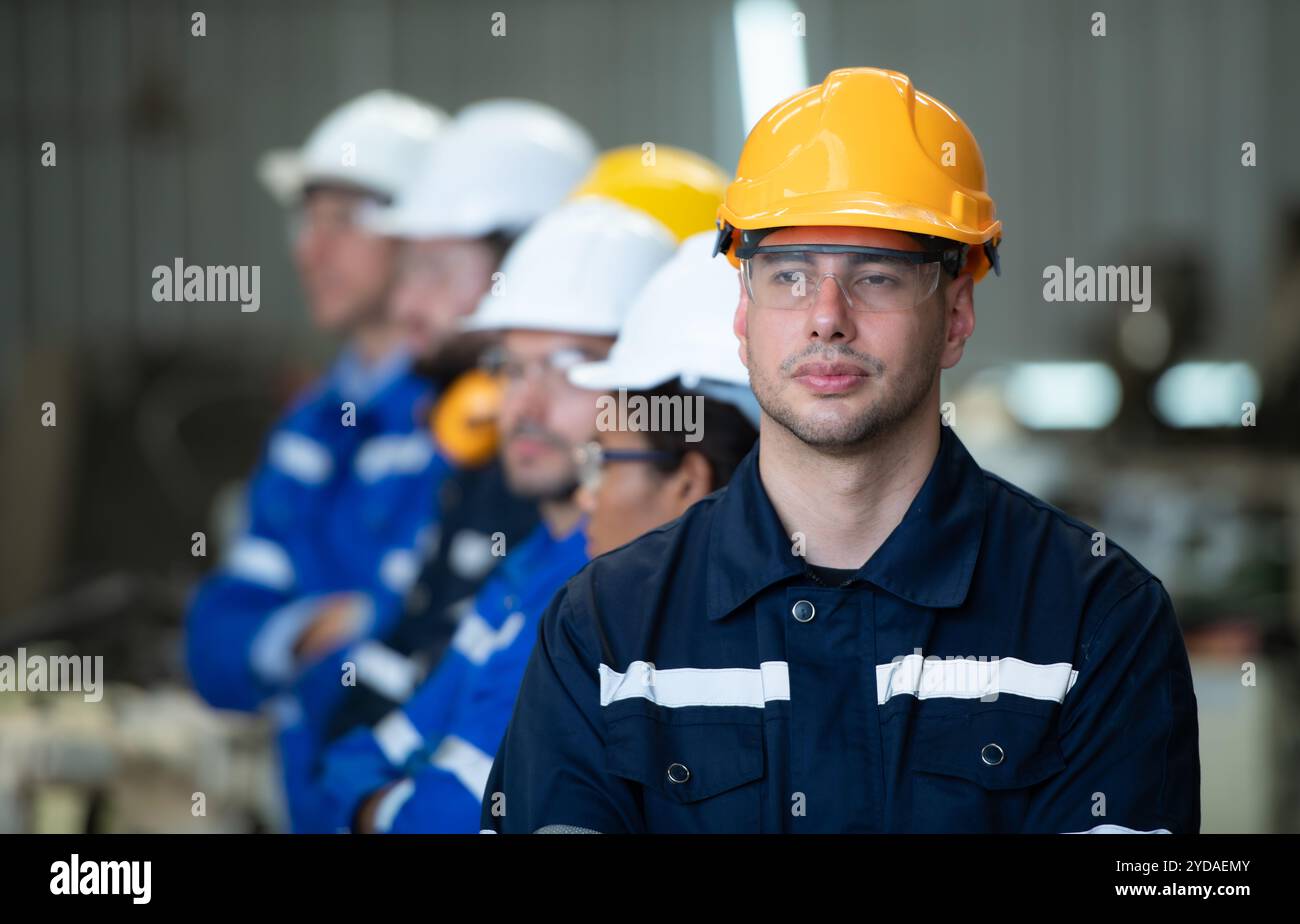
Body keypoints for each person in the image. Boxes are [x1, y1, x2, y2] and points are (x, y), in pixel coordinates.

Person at [481, 67, 1201, 834]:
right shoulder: (607, 628)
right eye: (789, 275)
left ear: (956, 314)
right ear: (743, 313)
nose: (827, 318)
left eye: (878, 276)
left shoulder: (1095, 619)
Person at [318, 196, 677, 832]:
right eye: (512, 369)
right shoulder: (523, 565)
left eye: (569, 370)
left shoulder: (614, 587)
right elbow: (358, 755)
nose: (526, 406)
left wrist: (373, 811)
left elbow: (467, 811)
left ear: (649, 387)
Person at [185, 90, 448, 832]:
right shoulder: (308, 426)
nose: (309, 248)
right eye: (307, 219)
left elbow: (415, 640)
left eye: (345, 219)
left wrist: (314, 638)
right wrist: (313, 631)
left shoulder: (476, 426)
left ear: (420, 233)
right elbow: (213, 644)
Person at [319, 99, 596, 742]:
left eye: (437, 271)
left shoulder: (559, 481)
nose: (407, 303)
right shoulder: (476, 458)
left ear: (531, 266)